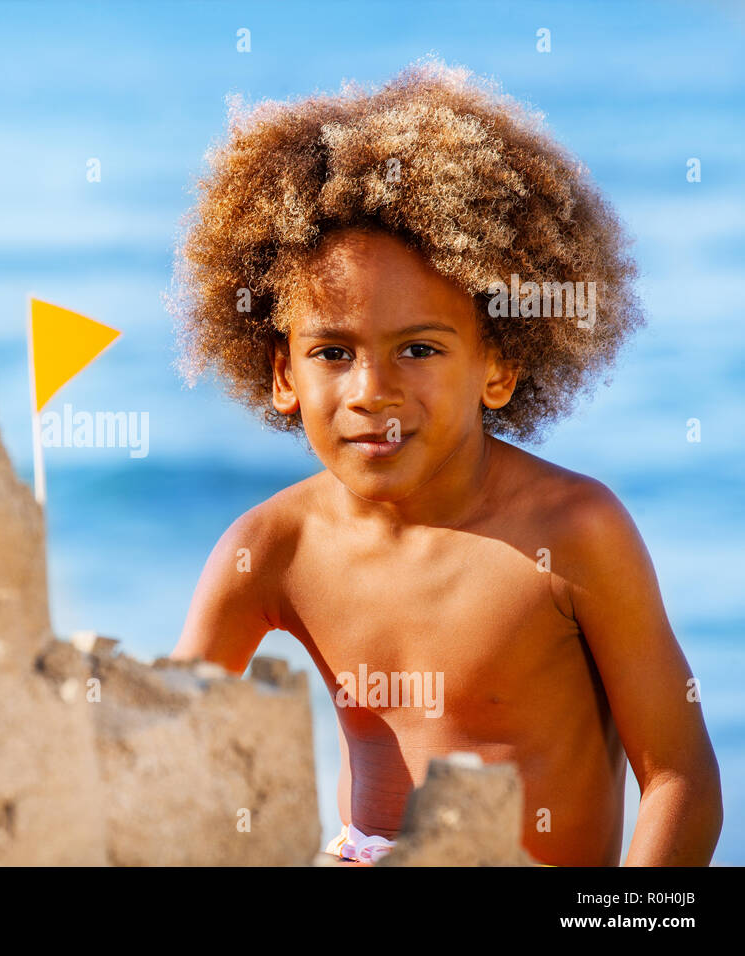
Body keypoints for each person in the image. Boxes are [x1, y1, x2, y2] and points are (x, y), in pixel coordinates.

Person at [165, 58, 722, 866]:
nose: (371, 390)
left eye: (418, 348)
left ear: (498, 364)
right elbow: (161, 737)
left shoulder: (574, 530)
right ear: (283, 373)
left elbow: (680, 777)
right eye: (331, 351)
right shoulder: (271, 546)